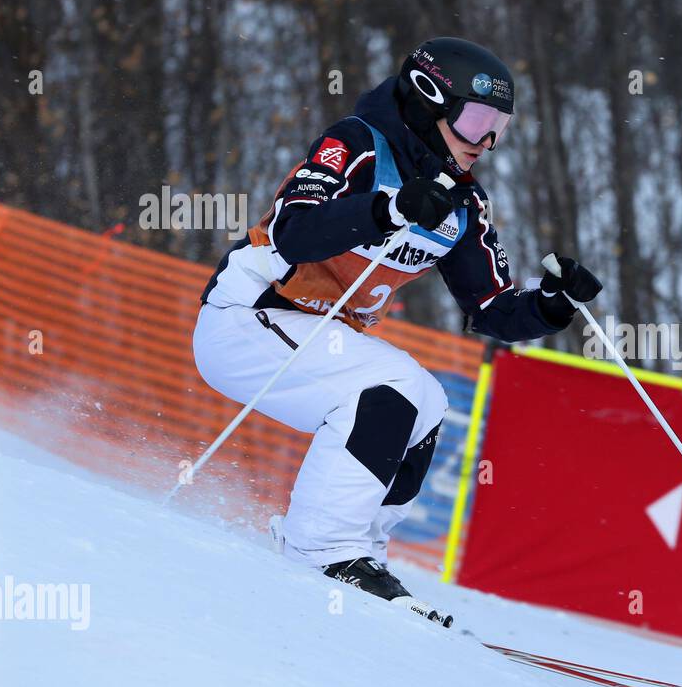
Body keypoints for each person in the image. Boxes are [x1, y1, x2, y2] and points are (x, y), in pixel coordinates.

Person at [192, 37, 601, 624]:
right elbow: (295, 233)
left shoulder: (462, 203)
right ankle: (323, 550)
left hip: (315, 340)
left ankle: (360, 552)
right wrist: (388, 209)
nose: (486, 142)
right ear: (429, 99)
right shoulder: (355, 144)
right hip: (247, 319)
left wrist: (553, 304)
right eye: (476, 121)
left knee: (428, 403)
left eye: (499, 128)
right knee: (394, 381)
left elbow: (491, 309)